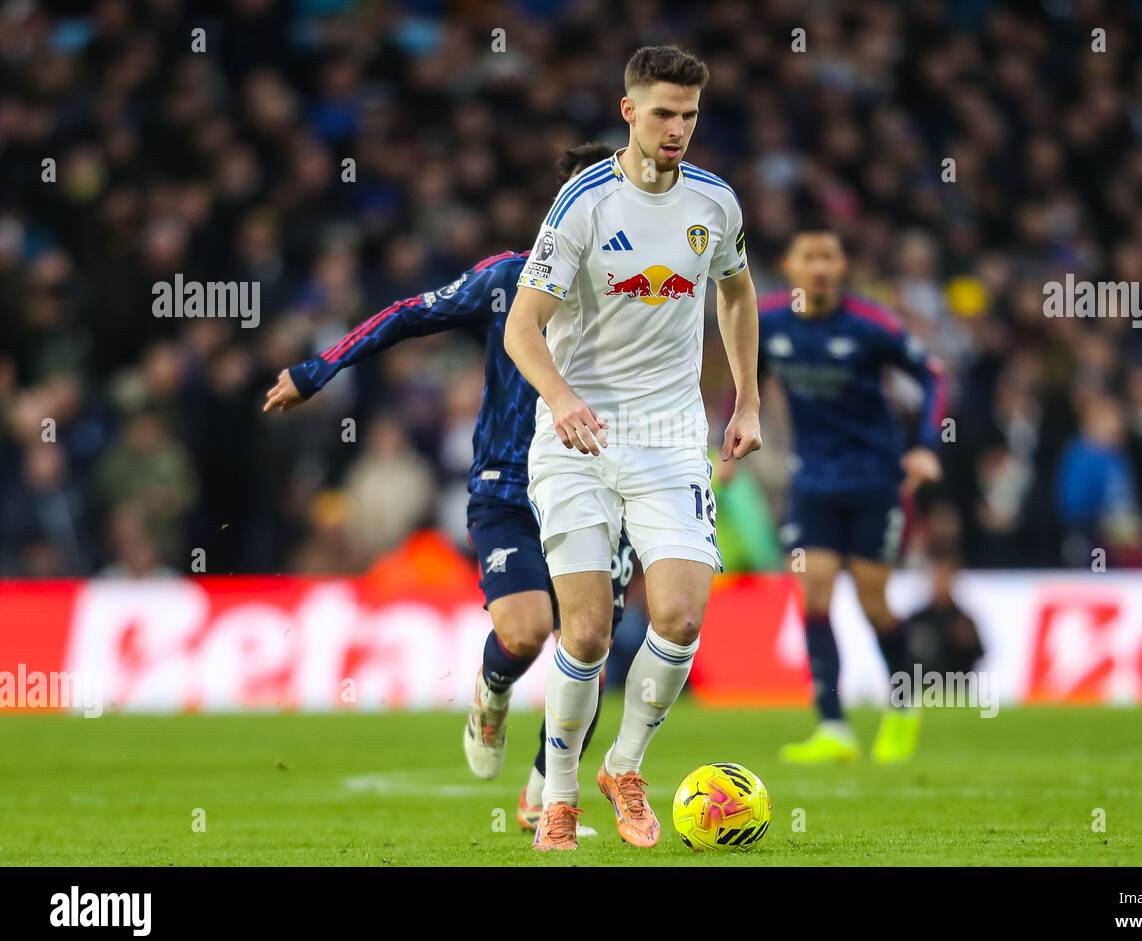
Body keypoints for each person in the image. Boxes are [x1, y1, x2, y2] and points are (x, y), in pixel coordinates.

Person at [262, 142, 636, 833]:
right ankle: (491, 693)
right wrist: (317, 370)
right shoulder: (509, 280)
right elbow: (407, 312)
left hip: (598, 488)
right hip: (508, 486)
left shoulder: (641, 296)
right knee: (525, 634)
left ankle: (541, 795)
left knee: (592, 643)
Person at [503, 45, 761, 851]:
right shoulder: (583, 202)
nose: (677, 128)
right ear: (629, 112)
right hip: (577, 438)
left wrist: (746, 398)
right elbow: (521, 328)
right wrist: (564, 399)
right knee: (583, 633)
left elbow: (738, 292)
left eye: (688, 114)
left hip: (671, 438)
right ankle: (562, 794)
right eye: (662, 113)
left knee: (681, 615)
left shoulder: (716, 203)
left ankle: (624, 766)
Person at [758, 225, 945, 765]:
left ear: (841, 268)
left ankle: (904, 707)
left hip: (874, 480)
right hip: (812, 480)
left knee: (872, 602)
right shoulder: (768, 322)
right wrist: (736, 429)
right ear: (790, 266)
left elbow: (933, 375)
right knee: (813, 592)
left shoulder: (871, 325)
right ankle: (833, 726)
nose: (819, 266)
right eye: (808, 256)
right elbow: (749, 376)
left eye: (829, 257)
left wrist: (926, 446)